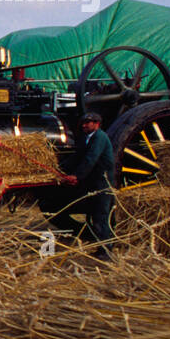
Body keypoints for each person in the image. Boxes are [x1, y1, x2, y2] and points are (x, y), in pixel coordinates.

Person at [60, 111, 115, 261]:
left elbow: (90, 159)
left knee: (101, 216)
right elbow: (77, 157)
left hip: (102, 182)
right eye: (83, 123)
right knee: (93, 215)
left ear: (97, 124)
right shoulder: (86, 138)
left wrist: (77, 176)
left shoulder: (100, 137)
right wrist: (60, 169)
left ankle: (106, 251)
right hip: (92, 182)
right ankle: (101, 247)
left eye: (87, 123)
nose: (84, 125)